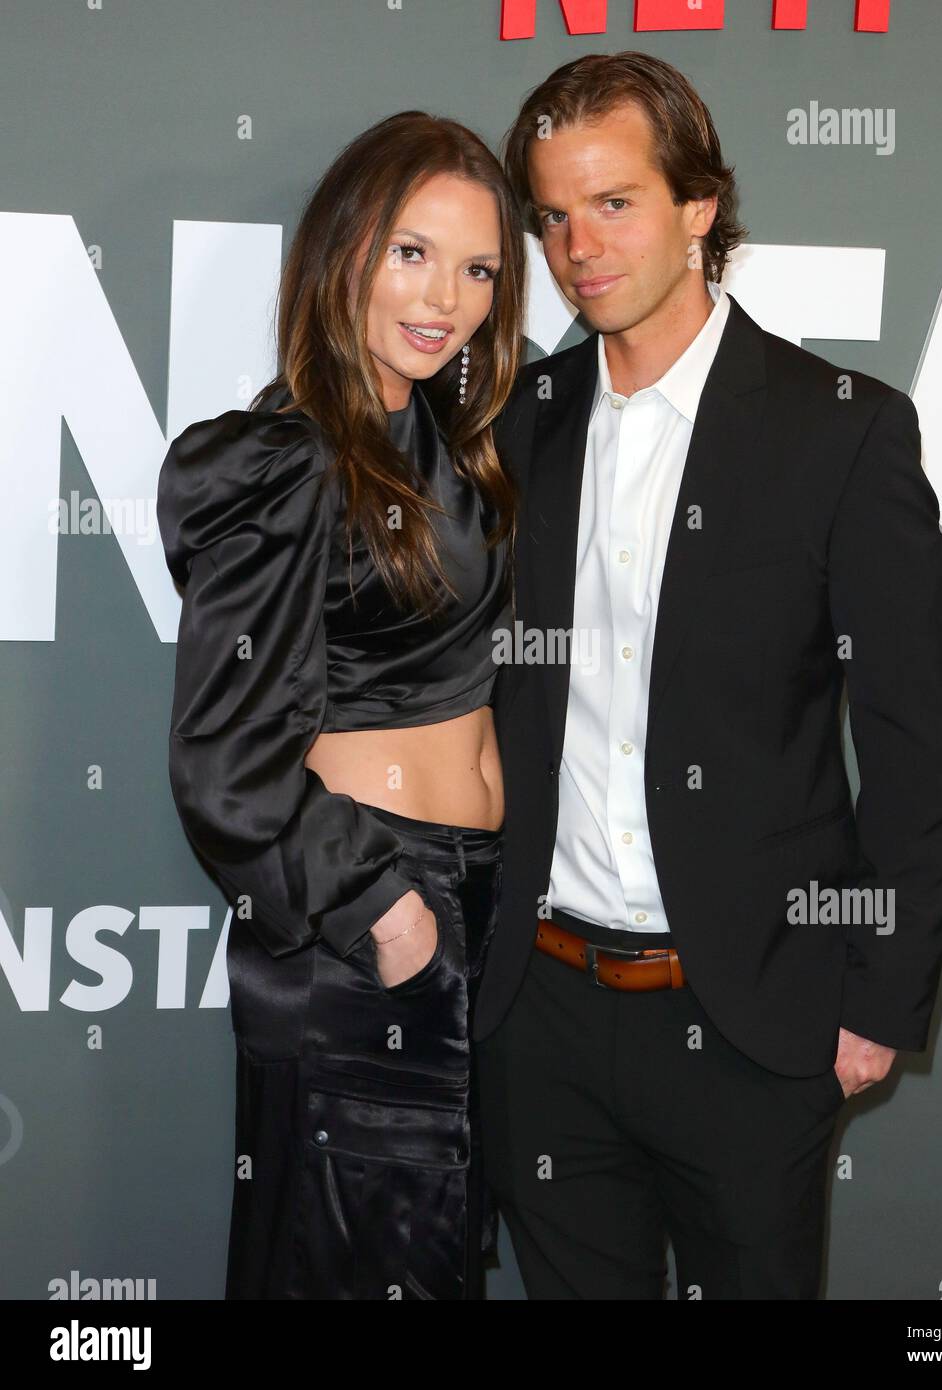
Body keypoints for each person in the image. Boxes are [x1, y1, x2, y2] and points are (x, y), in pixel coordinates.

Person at [477, 52, 942, 1299]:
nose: (578, 244)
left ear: (700, 207)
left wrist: (878, 1004)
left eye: (616, 202)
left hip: (753, 1025)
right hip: (541, 1012)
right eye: (552, 213)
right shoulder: (512, 426)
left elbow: (915, 748)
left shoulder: (840, 428)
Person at [156, 111, 526, 1300]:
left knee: (430, 1261)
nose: (448, 299)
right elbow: (224, 760)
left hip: (466, 900)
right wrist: (382, 907)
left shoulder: (452, 447)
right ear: (345, 251)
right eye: (412, 252)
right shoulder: (284, 461)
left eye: (478, 268)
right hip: (365, 915)